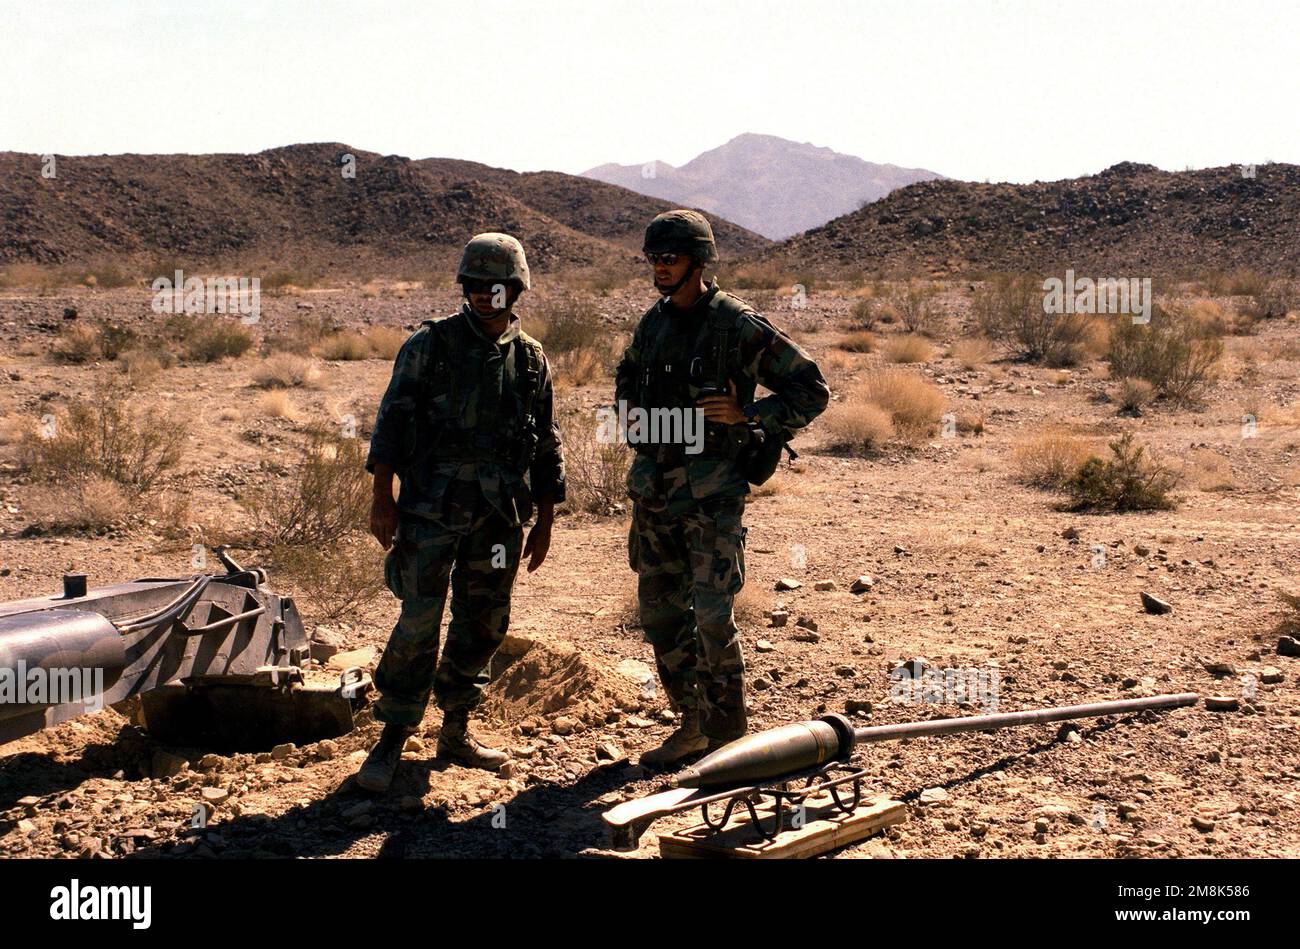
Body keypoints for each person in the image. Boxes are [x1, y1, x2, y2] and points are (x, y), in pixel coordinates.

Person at [615, 210, 829, 767]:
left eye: (671, 258)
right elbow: (627, 379)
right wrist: (634, 418)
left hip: (712, 494)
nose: (660, 268)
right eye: (654, 259)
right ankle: (690, 723)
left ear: (699, 262)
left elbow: (811, 389)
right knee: (660, 613)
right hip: (656, 490)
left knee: (711, 616)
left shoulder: (736, 324)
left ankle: (729, 737)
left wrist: (750, 416)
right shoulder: (653, 322)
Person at [357, 232, 564, 792]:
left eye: (495, 286)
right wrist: (383, 499)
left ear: (515, 290)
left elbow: (545, 442)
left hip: (498, 515)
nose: (483, 296)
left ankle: (456, 729)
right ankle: (392, 738)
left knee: (484, 621)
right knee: (418, 620)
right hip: (430, 508)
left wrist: (544, 520)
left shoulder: (530, 358)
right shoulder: (429, 346)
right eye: (473, 285)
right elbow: (391, 426)